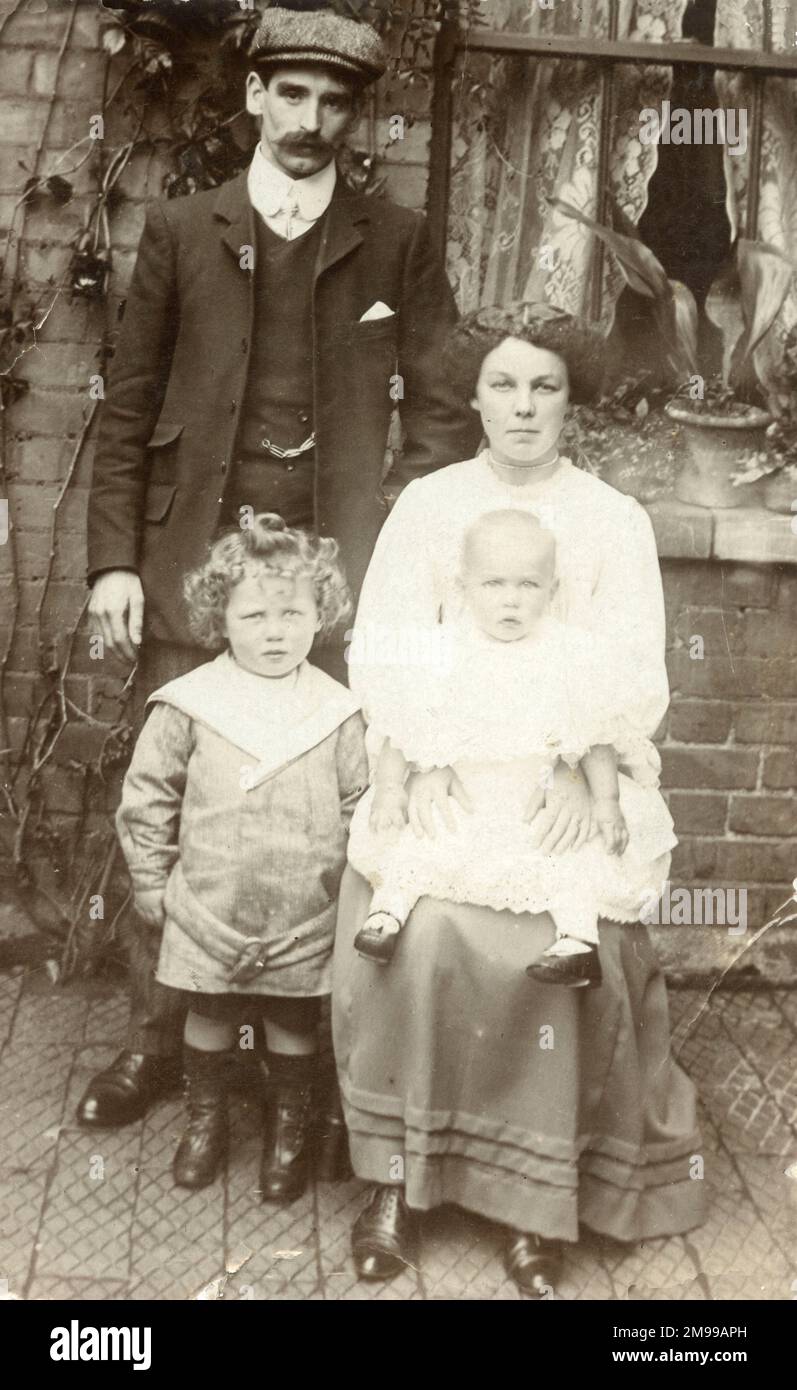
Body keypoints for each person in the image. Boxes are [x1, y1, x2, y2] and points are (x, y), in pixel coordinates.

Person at [78, 6, 479, 1129]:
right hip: (192, 558)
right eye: (290, 95)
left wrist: (402, 550)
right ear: (254, 98)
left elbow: (444, 415)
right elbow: (127, 408)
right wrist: (114, 562)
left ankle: (322, 1061)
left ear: (355, 118)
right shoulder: (178, 227)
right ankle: (160, 1042)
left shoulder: (396, 240)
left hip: (334, 579)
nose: (310, 121)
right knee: (175, 805)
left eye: (333, 102)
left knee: (326, 817)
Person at [333, 302, 706, 1295]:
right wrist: (420, 756)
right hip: (446, 752)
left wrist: (580, 766)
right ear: (473, 394)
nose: (523, 404)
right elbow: (386, 647)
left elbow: (634, 674)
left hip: (563, 762)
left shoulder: (610, 520)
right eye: (503, 383)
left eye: (543, 384)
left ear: (570, 396)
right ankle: (395, 1176)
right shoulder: (428, 506)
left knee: (557, 934)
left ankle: (532, 1203)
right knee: (421, 927)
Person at [115, 515, 368, 1197]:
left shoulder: (337, 713)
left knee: (291, 1018)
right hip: (208, 905)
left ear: (321, 617)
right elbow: (148, 796)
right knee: (211, 1010)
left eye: (293, 613)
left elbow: (360, 807)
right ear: (219, 619)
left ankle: (290, 1127)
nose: (274, 630)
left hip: (303, 913)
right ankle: (206, 1119)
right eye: (253, 615)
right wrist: (149, 879)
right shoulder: (192, 704)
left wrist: (346, 898)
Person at [347, 508, 677, 989]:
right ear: (464, 588)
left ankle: (576, 941)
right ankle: (388, 913)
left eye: (528, 586)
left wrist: (606, 802)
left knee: (569, 854)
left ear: (553, 591)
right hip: (466, 792)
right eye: (494, 584)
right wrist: (392, 788)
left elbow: (595, 737)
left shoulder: (569, 655)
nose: (511, 601)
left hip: (537, 795)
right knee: (423, 839)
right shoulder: (443, 650)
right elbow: (405, 726)